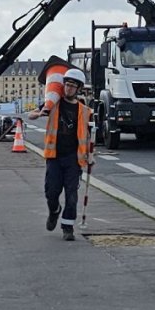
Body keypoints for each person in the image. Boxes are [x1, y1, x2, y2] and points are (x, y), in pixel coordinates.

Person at [42, 66, 94, 242]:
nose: (68, 88)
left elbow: (89, 136)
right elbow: (39, 112)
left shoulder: (85, 111)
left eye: (72, 85)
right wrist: (37, 113)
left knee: (71, 195)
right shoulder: (54, 103)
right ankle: (54, 210)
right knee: (51, 192)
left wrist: (91, 155)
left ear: (78, 89)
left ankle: (67, 227)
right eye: (67, 84)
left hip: (73, 158)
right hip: (54, 156)